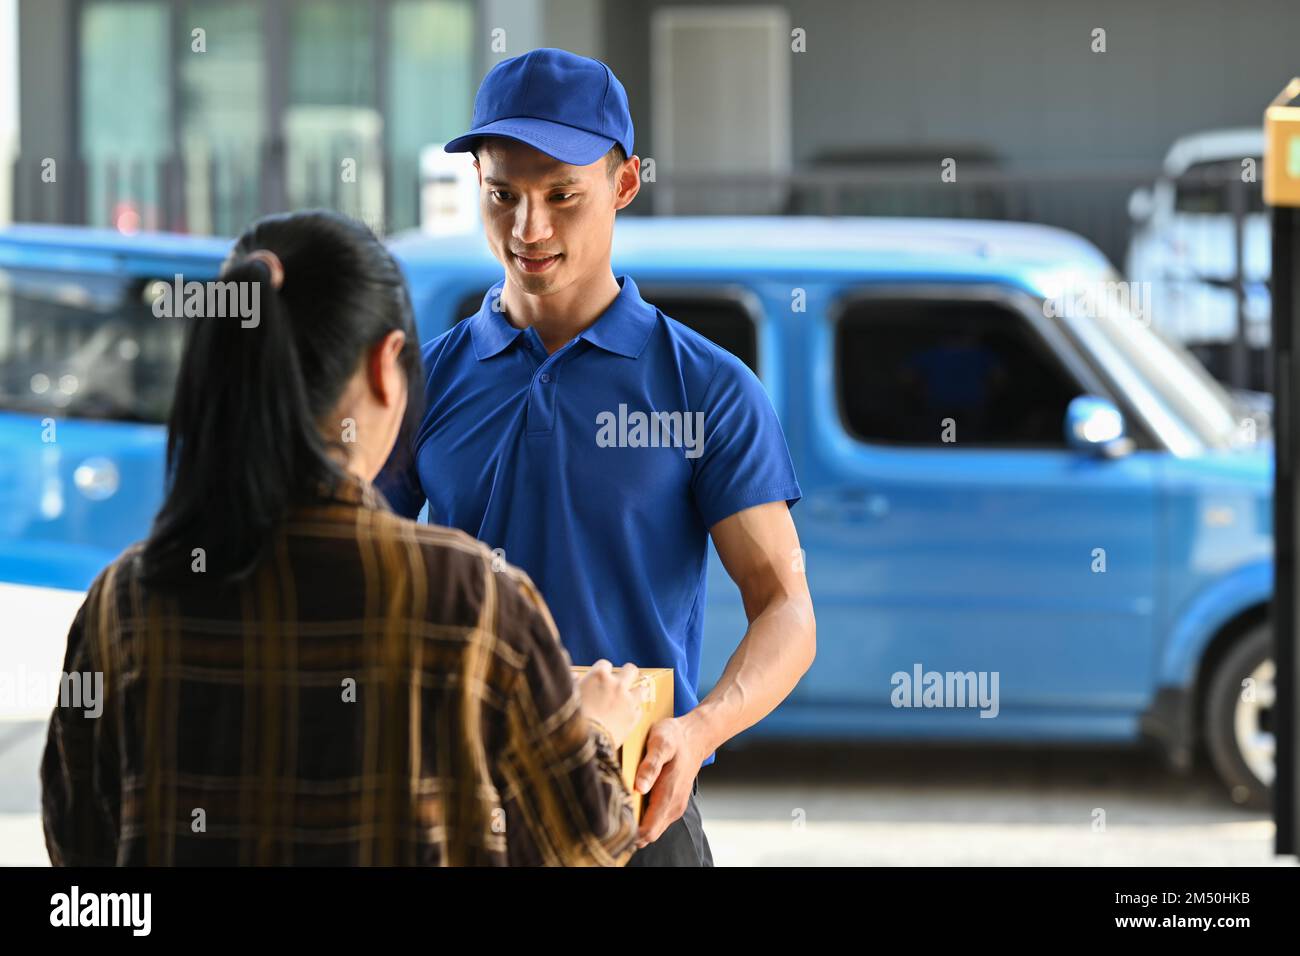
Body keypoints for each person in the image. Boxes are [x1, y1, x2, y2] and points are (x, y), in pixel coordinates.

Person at [40, 209, 645, 866]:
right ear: (387, 366)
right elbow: (586, 840)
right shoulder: (470, 600)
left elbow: (78, 845)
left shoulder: (123, 604)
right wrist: (598, 729)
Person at [377, 49, 817, 866]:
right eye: (502, 195)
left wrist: (700, 730)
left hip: (638, 812)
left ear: (623, 185)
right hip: (464, 812)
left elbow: (786, 608)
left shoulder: (706, 388)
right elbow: (358, 578)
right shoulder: (421, 383)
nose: (528, 229)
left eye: (561, 196)